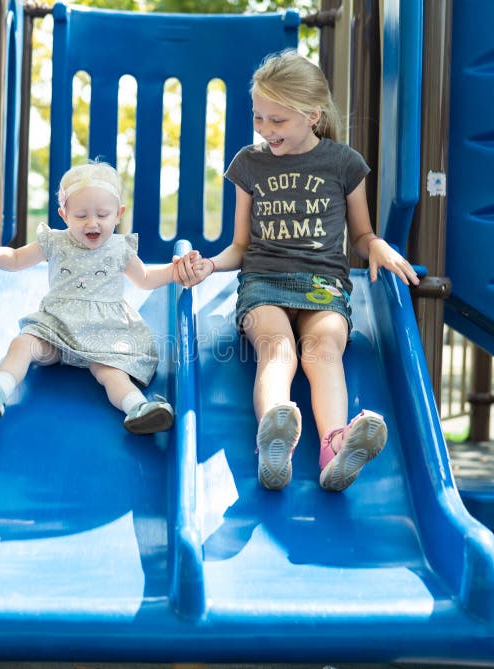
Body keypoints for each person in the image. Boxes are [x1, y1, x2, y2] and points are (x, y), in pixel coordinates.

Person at [175, 50, 420, 491]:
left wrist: (377, 245)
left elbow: (361, 236)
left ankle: (335, 448)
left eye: (277, 121)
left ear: (312, 115)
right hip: (263, 284)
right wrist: (211, 265)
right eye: (259, 118)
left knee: (323, 350)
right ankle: (275, 437)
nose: (266, 130)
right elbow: (240, 246)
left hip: (324, 285)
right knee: (278, 350)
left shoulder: (343, 164)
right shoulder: (249, 164)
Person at [0, 161, 195, 435]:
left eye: (102, 214)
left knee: (111, 373)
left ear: (118, 214)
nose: (92, 223)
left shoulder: (119, 249)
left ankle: (138, 408)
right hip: (56, 330)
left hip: (103, 337)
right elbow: (17, 258)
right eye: (80, 215)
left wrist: (176, 271)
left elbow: (145, 278)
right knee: (24, 343)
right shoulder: (54, 241)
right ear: (64, 215)